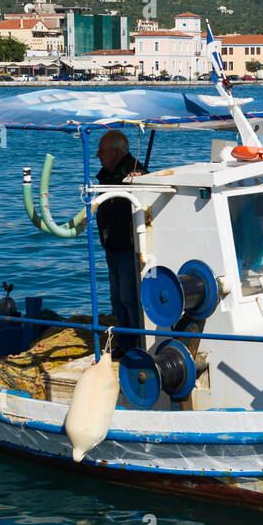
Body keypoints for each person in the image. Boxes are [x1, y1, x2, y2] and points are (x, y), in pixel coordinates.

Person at [95, 129, 146, 357]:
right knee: (117, 297)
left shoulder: (135, 173)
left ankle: (138, 342)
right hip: (112, 245)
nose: (97, 155)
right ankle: (125, 341)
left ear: (115, 152)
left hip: (128, 247)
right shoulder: (107, 174)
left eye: (102, 151)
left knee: (128, 297)